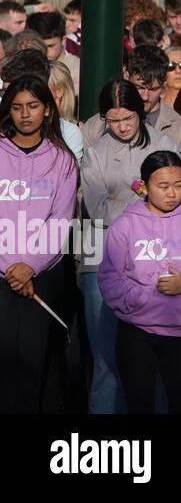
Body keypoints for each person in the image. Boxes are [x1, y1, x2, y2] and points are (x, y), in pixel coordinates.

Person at [81, 79, 181, 414]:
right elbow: (97, 208)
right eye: (112, 120)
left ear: (140, 112)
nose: (121, 127)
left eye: (127, 118)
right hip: (101, 258)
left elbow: (174, 203)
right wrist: (146, 205)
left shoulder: (164, 143)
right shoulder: (95, 152)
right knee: (106, 357)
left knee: (154, 357)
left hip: (154, 259)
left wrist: (122, 203)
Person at [98, 150, 181, 414]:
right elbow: (110, 280)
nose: (172, 194)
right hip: (136, 333)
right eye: (163, 186)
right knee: (139, 404)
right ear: (144, 186)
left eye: (179, 186)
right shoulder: (125, 225)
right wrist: (144, 296)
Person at [0, 75, 78, 413]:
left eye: (32, 106)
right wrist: (9, 266)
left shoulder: (62, 160)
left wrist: (30, 264)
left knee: (34, 363)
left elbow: (60, 223)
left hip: (42, 275)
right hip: (2, 275)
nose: (25, 114)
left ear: (47, 109)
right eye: (17, 107)